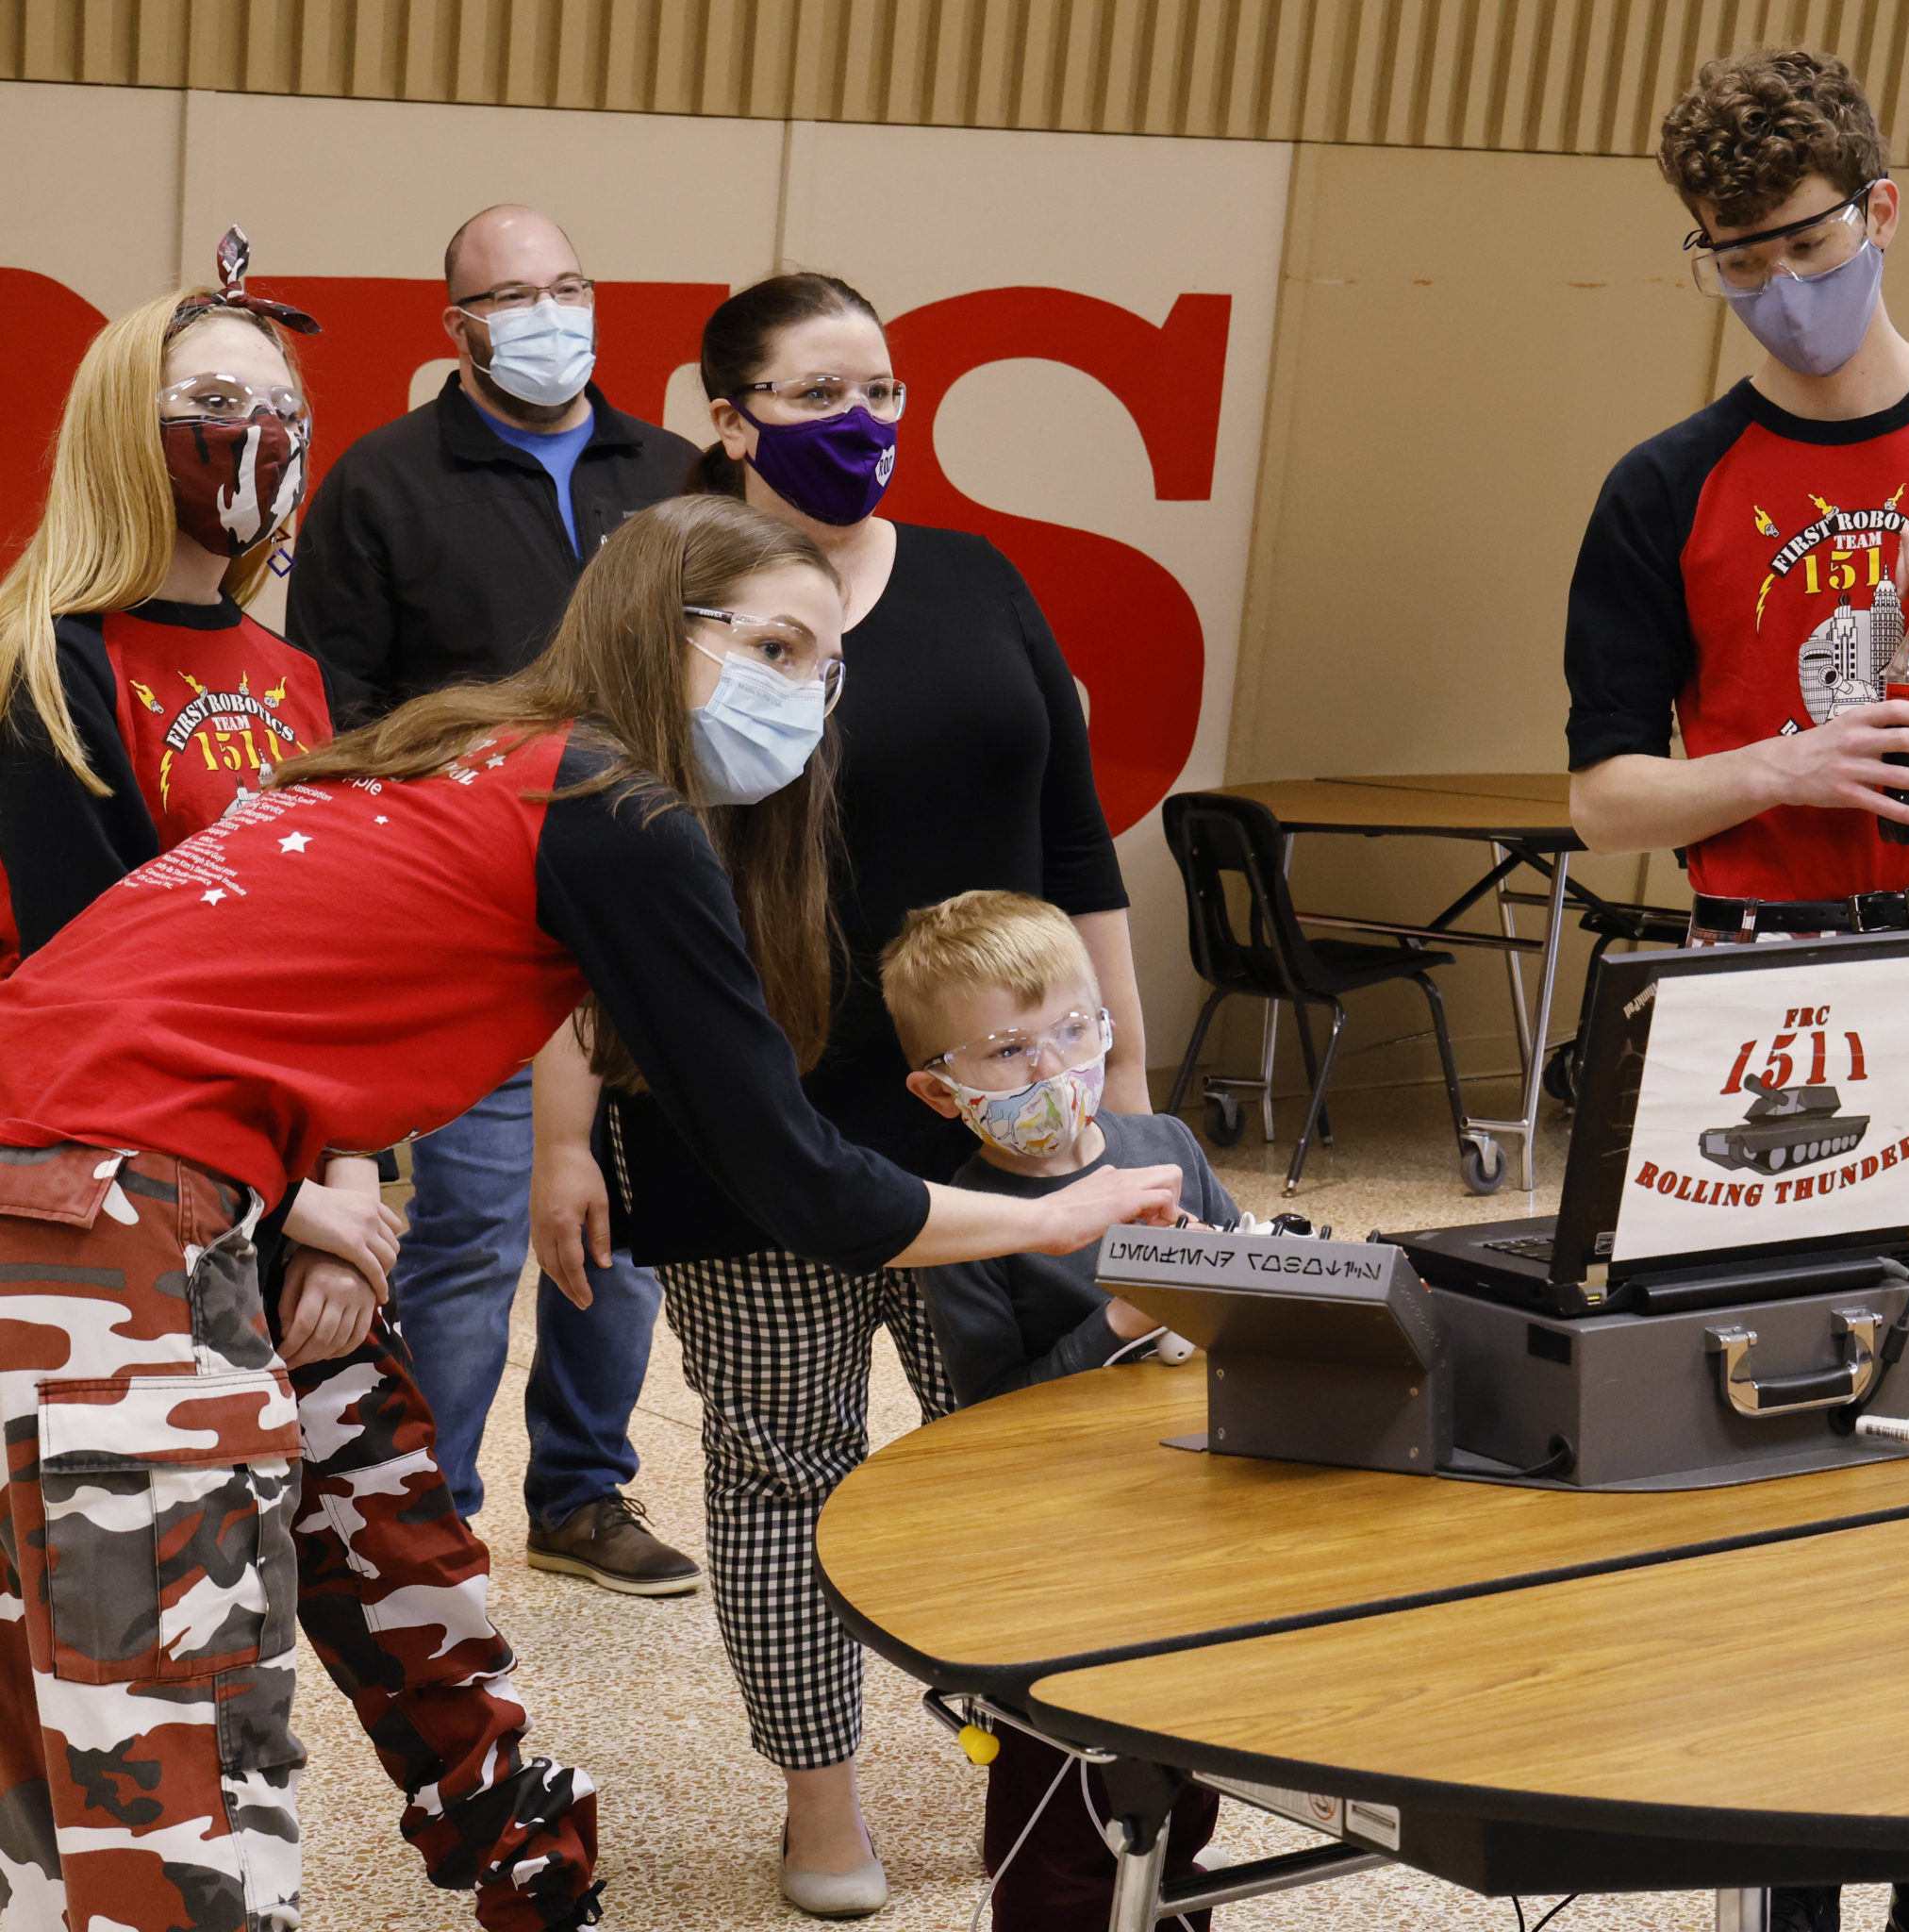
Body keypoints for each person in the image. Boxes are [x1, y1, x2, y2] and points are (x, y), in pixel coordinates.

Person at [0, 491, 1183, 1932]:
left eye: (829, 667)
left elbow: (213, 996)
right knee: (163, 1759)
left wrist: (304, 1197)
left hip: (129, 1181)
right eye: (777, 647)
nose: (811, 695)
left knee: (198, 1608)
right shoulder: (615, 807)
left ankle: (515, 1858)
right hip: (101, 1212)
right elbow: (799, 1180)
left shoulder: (455, 751)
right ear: (659, 632)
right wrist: (1065, 1215)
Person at [0, 236, 602, 1932]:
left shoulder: (293, 683)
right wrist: (296, 1206)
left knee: (403, 1549)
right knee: (152, 1637)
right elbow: (90, 982)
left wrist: (350, 1202)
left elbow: (339, 955)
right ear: (131, 426)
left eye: (282, 410)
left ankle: (522, 1857)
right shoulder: (43, 656)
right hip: (114, 1214)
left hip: (302, 1198)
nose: (253, 440)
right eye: (211, 407)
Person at [530, 270, 1151, 1911]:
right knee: (785, 1464)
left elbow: (1077, 840)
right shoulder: (671, 599)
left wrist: (1129, 1071)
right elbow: (567, 879)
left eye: (880, 385)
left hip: (1007, 1118)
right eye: (816, 392)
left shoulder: (974, 580)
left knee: (1018, 1457)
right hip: (754, 1124)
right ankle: (821, 1802)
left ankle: (1025, 1761)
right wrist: (562, 1131)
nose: (862, 418)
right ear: (724, 416)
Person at [1564, 47, 1909, 1932]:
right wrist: (1782, 766)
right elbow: (1601, 789)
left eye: (1796, 241)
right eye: (1727, 261)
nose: (1773, 286)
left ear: (1879, 209)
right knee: (1776, 1428)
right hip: (1767, 983)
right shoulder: (1668, 484)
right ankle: (1780, 1872)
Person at [288, 204, 701, 1592]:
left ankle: (584, 1494)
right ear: (456, 328)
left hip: (641, 921)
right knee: (464, 1236)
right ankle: (437, 1509)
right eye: (512, 294)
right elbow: (333, 707)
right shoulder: (385, 482)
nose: (548, 313)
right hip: (470, 926)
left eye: (569, 285)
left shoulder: (677, 474)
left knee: (625, 1232)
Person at [882, 890, 1231, 1930]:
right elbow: (984, 1410)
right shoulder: (967, 1220)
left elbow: (1242, 1296)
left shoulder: (1160, 1135)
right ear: (941, 1091)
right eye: (1006, 1050)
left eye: (1073, 1030)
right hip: (1051, 1553)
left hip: (1185, 1518)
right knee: (1063, 1802)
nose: (1051, 1069)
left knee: (1185, 1789)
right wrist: (1121, 1314)